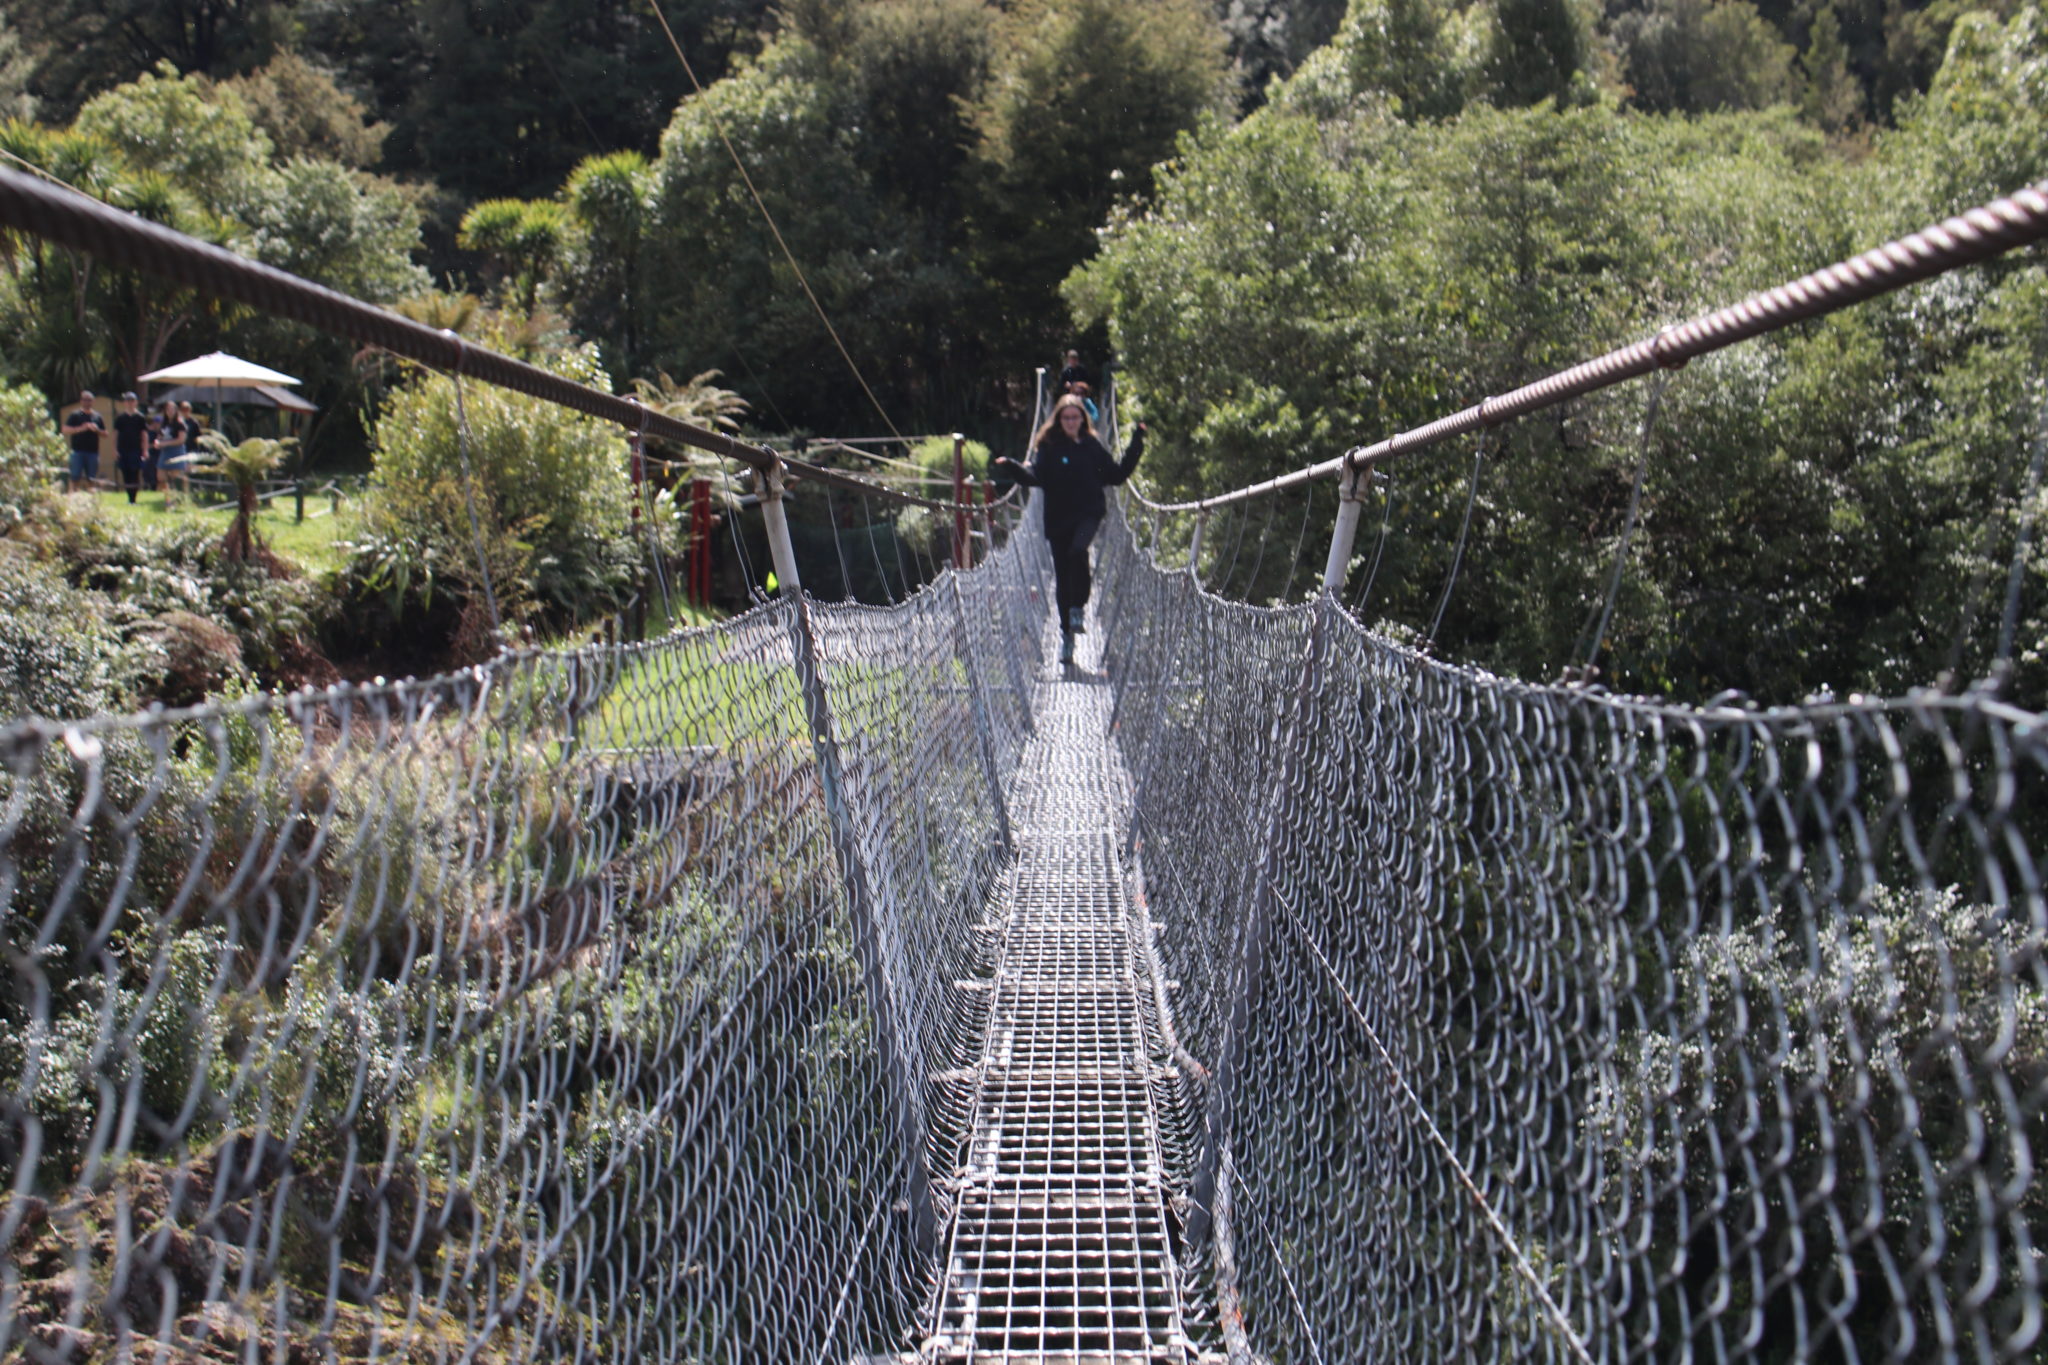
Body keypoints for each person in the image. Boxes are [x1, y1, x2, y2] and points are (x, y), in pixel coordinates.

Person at [993, 394, 1146, 666]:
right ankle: (1067, 637)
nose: (1071, 422)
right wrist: (1013, 467)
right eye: (1066, 418)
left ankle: (1079, 608)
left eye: (1075, 417)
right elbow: (1034, 477)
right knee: (1063, 579)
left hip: (1088, 514)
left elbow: (1118, 475)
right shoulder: (1049, 447)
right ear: (1059, 420)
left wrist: (1137, 441)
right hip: (1057, 519)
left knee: (1079, 551)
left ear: (1083, 419)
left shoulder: (1092, 446)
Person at [61, 391, 105, 492]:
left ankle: (91, 499)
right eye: (85, 400)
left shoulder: (97, 416)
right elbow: (65, 429)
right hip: (77, 451)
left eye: (89, 400)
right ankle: (73, 497)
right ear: (81, 401)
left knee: (91, 478)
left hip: (93, 452)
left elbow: (105, 434)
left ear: (93, 401)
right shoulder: (75, 415)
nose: (87, 402)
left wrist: (96, 430)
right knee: (75, 477)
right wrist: (81, 428)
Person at [111, 391, 150, 504]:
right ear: (125, 403)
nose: (130, 403)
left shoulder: (140, 417)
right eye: (128, 401)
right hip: (122, 450)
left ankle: (134, 499)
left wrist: (145, 450)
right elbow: (115, 435)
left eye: (132, 400)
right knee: (125, 474)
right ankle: (129, 498)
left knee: (135, 473)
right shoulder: (120, 418)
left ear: (136, 402)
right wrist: (114, 450)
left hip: (136, 450)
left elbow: (144, 434)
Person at [152, 399, 186, 496]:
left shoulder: (180, 424)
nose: (170, 411)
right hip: (165, 452)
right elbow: (160, 436)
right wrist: (157, 442)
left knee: (177, 478)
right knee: (160, 477)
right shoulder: (164, 423)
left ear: (176, 411)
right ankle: (167, 497)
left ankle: (178, 497)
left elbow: (181, 439)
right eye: (168, 409)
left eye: (172, 409)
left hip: (177, 452)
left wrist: (165, 443)